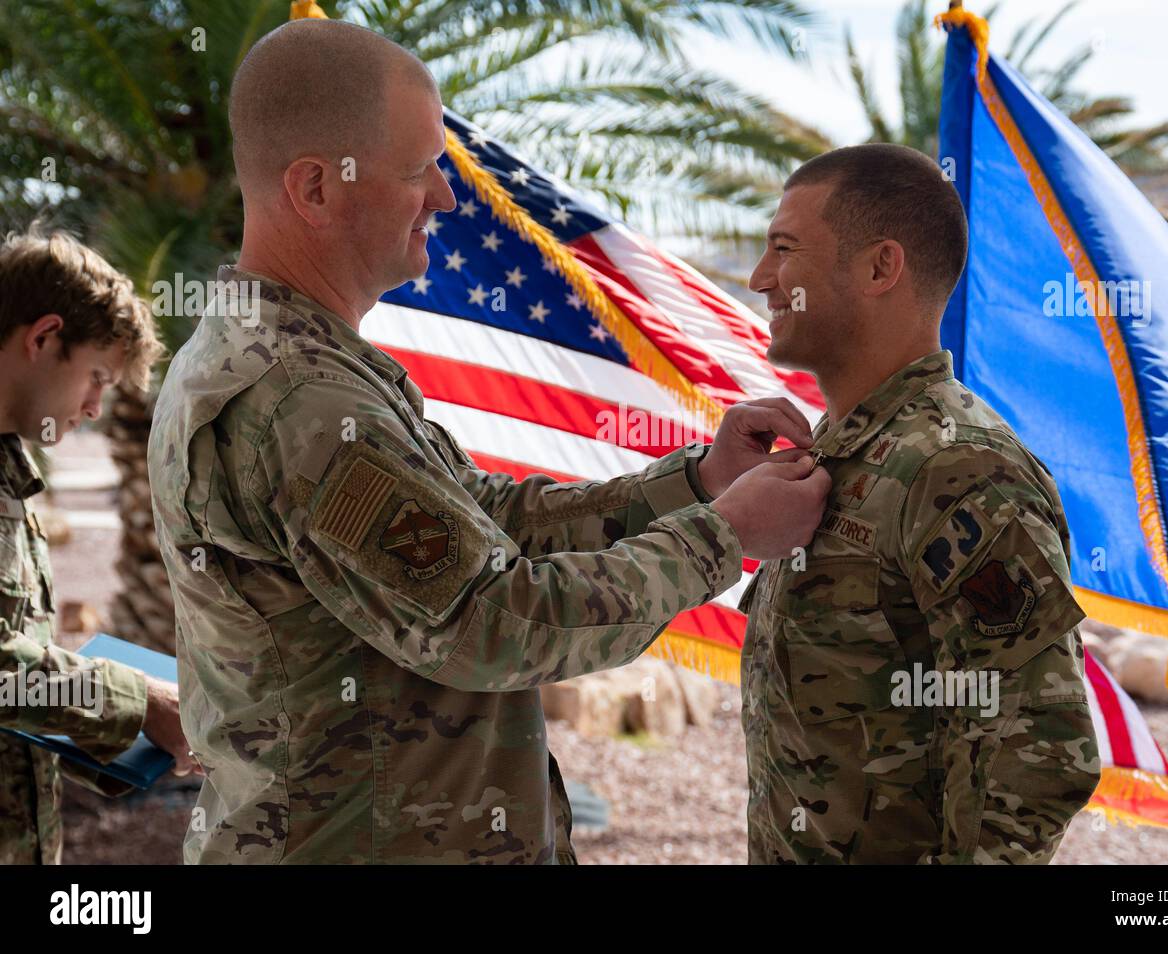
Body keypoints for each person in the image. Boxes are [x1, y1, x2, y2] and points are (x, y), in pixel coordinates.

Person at [148, 18, 830, 864]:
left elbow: (480, 519)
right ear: (315, 190)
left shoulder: (302, 362)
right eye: (417, 170)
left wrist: (693, 483)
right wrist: (727, 536)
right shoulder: (299, 398)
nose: (444, 194)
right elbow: (493, 621)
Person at [742, 143, 1101, 864]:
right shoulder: (843, 449)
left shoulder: (957, 467)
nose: (760, 279)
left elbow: (1039, 755)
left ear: (881, 267)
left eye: (784, 250)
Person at [0, 226, 196, 865]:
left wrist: (133, 739)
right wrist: (134, 703)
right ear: (43, 337)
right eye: (95, 377)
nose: (93, 408)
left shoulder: (12, 470)